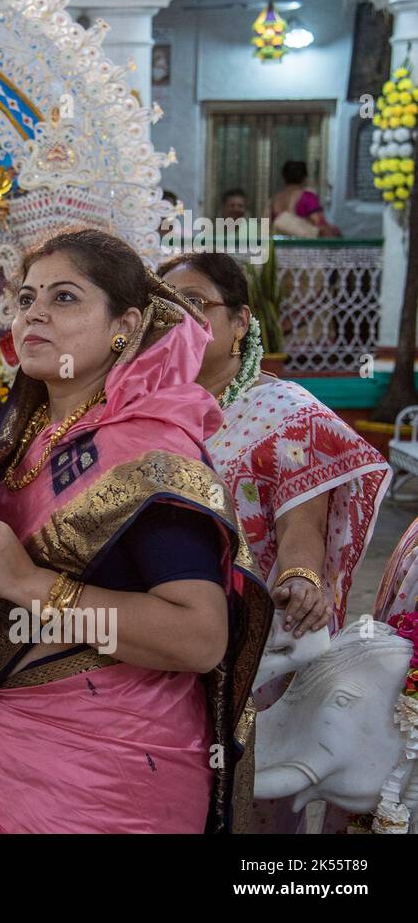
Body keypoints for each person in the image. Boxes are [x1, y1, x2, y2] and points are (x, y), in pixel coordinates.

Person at [0, 229, 271, 834]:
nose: (34, 315)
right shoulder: (22, 444)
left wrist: (33, 585)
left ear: (125, 325)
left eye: (64, 299)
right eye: (27, 299)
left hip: (109, 772)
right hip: (8, 744)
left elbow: (199, 637)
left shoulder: (149, 450)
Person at [159, 251, 390, 831]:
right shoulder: (140, 412)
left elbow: (301, 529)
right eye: (166, 308)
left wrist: (300, 580)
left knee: (248, 807)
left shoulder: (286, 415)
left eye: (196, 304)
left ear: (239, 322)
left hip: (250, 645)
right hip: (152, 636)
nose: (179, 319)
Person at [269, 160, 341, 238]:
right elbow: (319, 223)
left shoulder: (274, 200)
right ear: (304, 178)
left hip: (278, 247)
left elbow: (265, 228)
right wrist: (334, 231)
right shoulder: (307, 197)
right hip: (302, 246)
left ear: (283, 178)